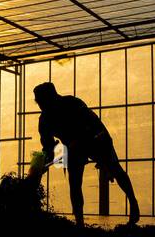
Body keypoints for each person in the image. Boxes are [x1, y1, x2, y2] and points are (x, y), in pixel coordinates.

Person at [32, 81, 141, 227]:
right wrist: (41, 162)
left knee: (115, 169)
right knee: (75, 183)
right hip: (74, 147)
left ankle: (133, 202)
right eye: (38, 102)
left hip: (97, 138)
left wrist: (85, 144)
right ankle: (79, 222)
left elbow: (92, 124)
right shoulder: (45, 119)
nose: (40, 106)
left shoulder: (72, 103)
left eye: (42, 101)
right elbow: (48, 145)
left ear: (52, 97)